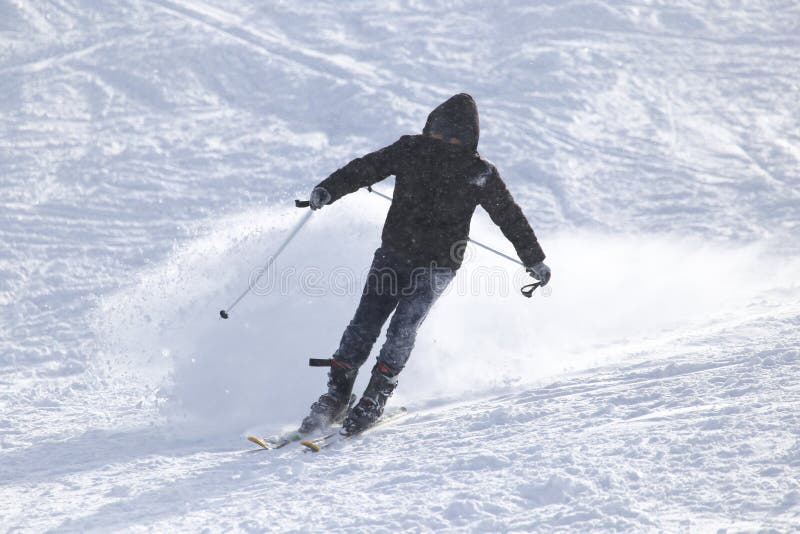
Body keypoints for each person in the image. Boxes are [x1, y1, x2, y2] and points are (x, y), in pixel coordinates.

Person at [300, 93, 551, 435]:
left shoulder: (479, 173)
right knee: (364, 323)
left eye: (453, 137)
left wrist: (533, 258)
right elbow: (365, 168)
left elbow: (510, 217)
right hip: (393, 255)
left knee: (403, 328)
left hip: (438, 266)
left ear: (467, 140)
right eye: (438, 133)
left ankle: (376, 395)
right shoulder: (410, 150)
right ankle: (336, 396)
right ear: (429, 128)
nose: (443, 141)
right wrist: (329, 189)